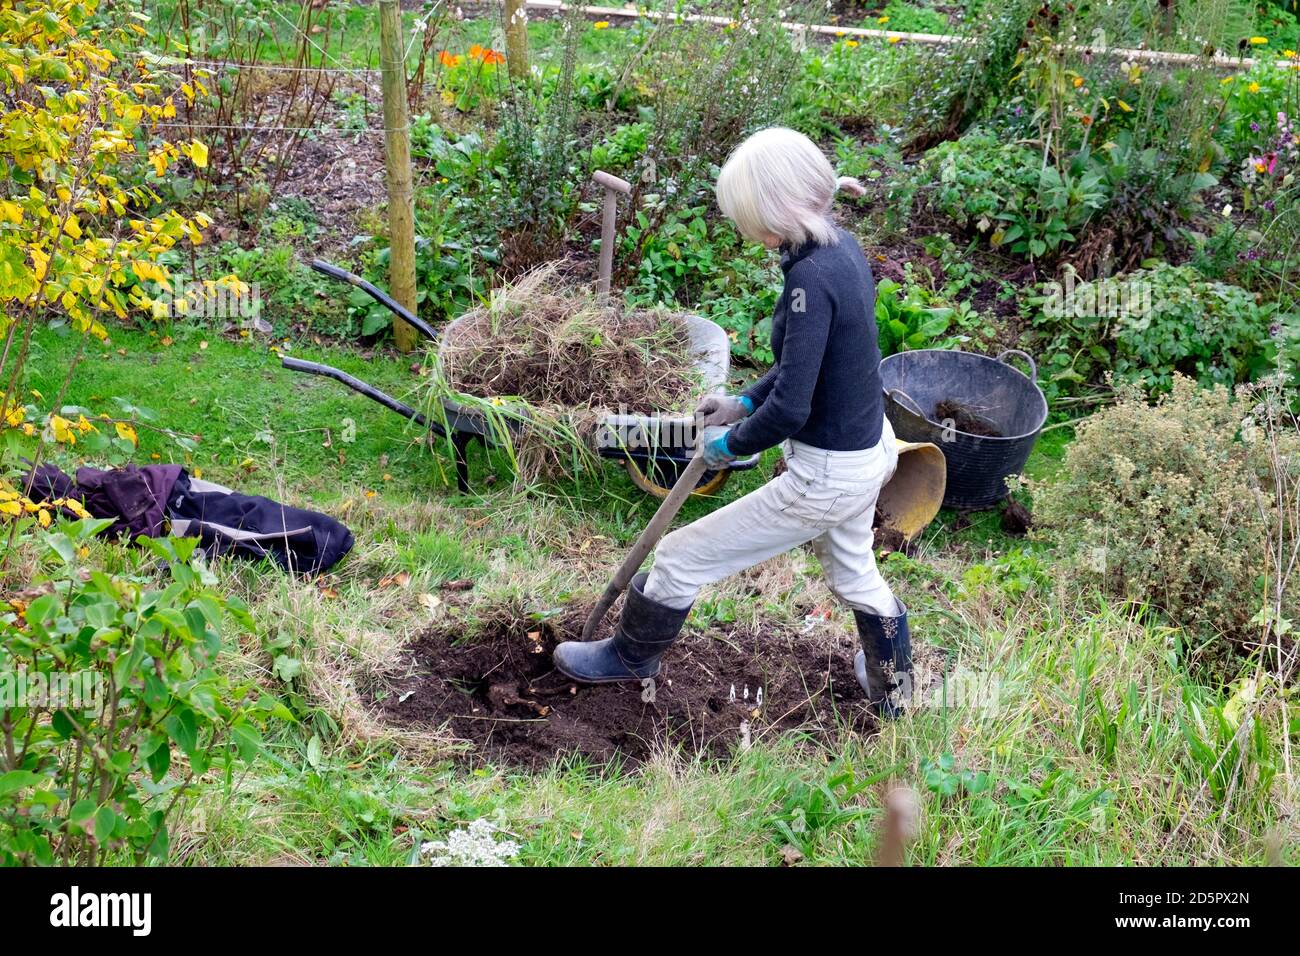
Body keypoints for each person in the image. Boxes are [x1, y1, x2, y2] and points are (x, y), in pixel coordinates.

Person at [553, 127, 912, 718]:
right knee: (855, 575)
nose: (749, 233)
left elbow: (794, 407)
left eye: (752, 218)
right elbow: (812, 367)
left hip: (826, 477)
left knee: (679, 556)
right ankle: (896, 694)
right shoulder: (838, 250)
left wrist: (730, 444)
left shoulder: (809, 279)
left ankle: (629, 658)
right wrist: (744, 403)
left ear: (778, 209)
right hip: (865, 452)